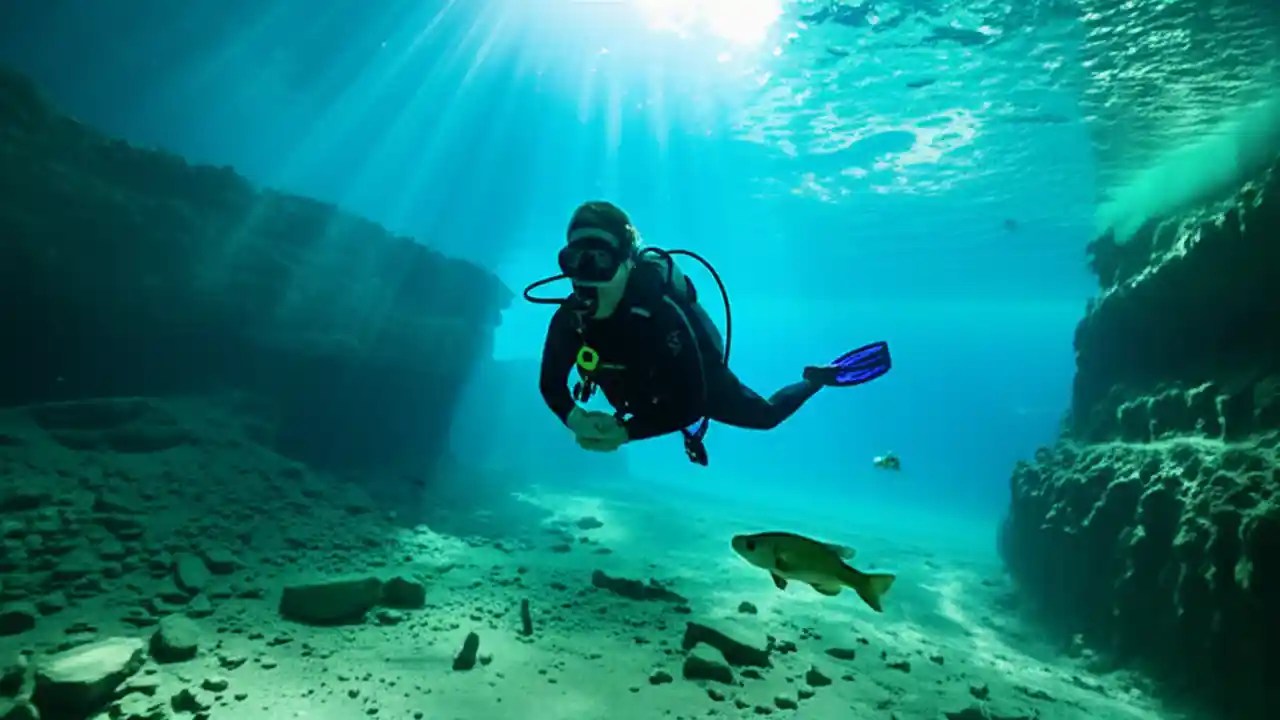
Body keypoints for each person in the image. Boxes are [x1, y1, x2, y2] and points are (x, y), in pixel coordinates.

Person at [532, 201, 892, 464]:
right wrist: (574, 417)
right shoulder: (570, 319)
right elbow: (551, 384)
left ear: (627, 262)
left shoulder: (662, 317)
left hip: (694, 379)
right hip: (634, 391)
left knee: (765, 418)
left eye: (599, 260)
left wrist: (626, 432)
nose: (583, 276)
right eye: (573, 260)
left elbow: (691, 403)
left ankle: (818, 378)